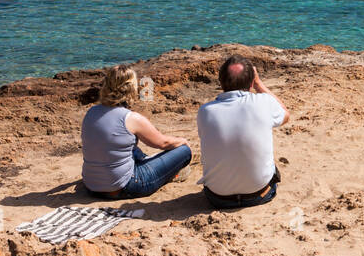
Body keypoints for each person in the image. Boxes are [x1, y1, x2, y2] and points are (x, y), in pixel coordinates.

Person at [81, 64, 191, 199]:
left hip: (91, 186)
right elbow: (163, 142)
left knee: (127, 147)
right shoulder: (131, 118)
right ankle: (169, 173)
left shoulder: (91, 112)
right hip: (125, 186)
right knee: (184, 151)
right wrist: (183, 141)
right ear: (131, 88)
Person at [197, 56, 291, 209]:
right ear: (252, 81)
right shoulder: (263, 102)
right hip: (259, 194)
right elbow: (285, 114)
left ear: (220, 81)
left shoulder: (205, 111)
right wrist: (259, 84)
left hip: (217, 198)